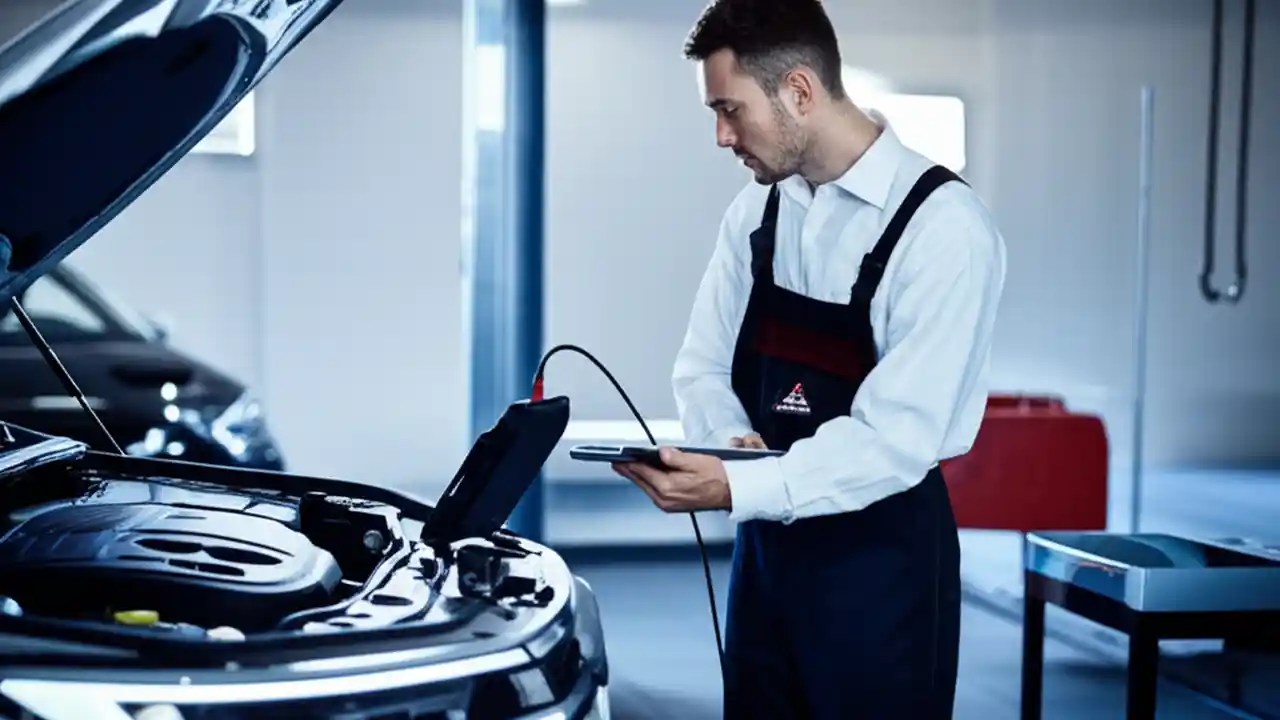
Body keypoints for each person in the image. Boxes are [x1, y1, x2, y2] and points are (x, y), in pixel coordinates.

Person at [609, 1, 1007, 718]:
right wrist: (735, 451)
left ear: (798, 90)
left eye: (730, 109)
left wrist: (739, 489)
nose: (721, 135)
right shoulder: (756, 214)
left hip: (881, 567)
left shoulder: (945, 230)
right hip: (765, 562)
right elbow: (701, 366)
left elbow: (897, 437)